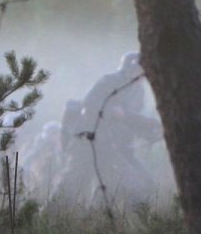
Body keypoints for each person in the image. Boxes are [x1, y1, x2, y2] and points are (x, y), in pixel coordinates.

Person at [55, 53, 162, 205]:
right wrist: (112, 111)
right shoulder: (110, 81)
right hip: (89, 143)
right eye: (137, 70)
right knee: (73, 183)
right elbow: (89, 104)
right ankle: (47, 215)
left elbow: (132, 120)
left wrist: (150, 131)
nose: (140, 75)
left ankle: (96, 219)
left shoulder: (138, 91)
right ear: (128, 68)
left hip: (116, 146)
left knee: (131, 183)